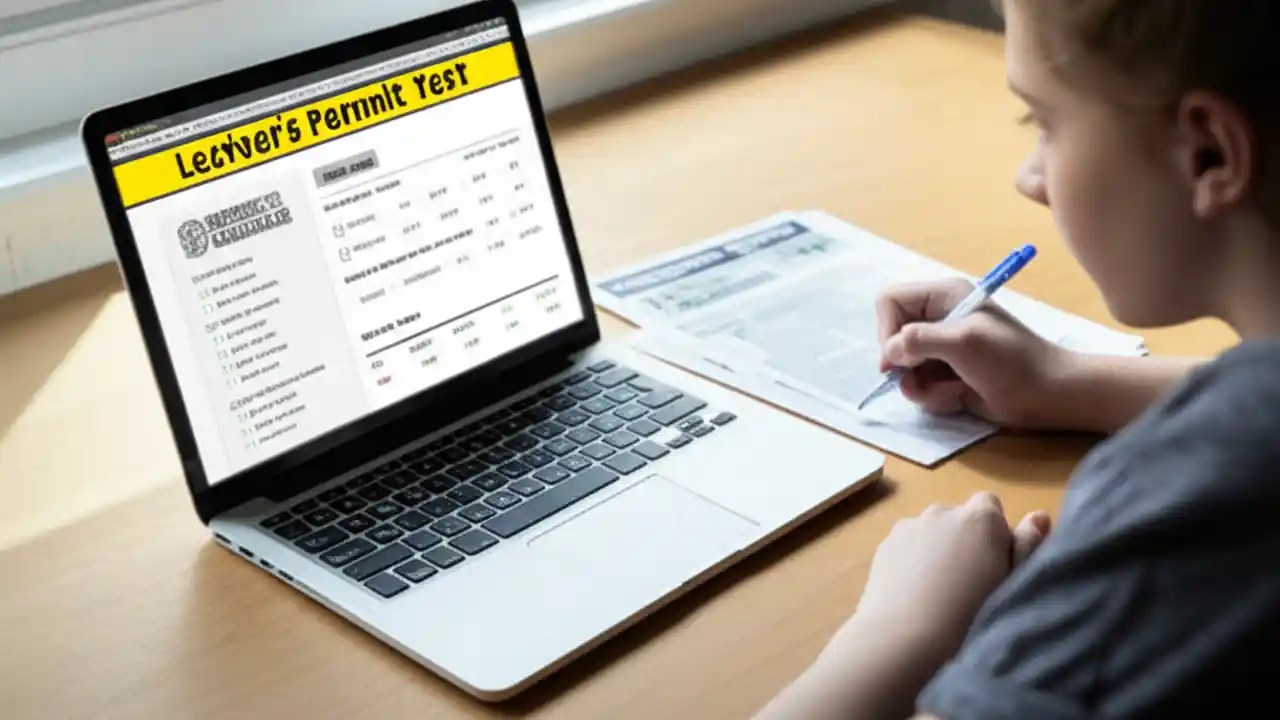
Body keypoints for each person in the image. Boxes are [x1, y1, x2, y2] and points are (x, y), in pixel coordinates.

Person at [755, 1, 1280, 718]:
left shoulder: (1181, 521)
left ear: (1209, 154)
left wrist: (900, 632)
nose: (1030, 179)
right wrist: (1065, 383)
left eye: (1043, 121)